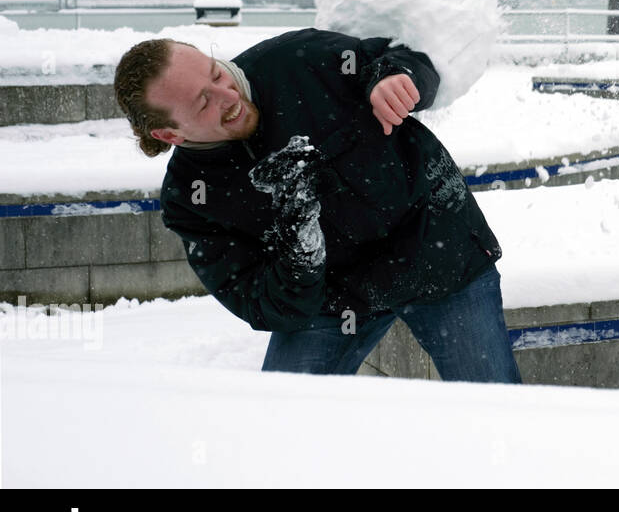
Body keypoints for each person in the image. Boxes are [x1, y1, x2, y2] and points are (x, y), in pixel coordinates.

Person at [113, 27, 521, 383]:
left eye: (217, 72)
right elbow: (259, 302)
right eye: (203, 103)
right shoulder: (189, 199)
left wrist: (395, 77)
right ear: (169, 133)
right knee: (283, 424)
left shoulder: (295, 58)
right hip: (335, 299)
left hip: (438, 253)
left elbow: (403, 57)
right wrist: (300, 252)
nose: (227, 93)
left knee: (497, 413)